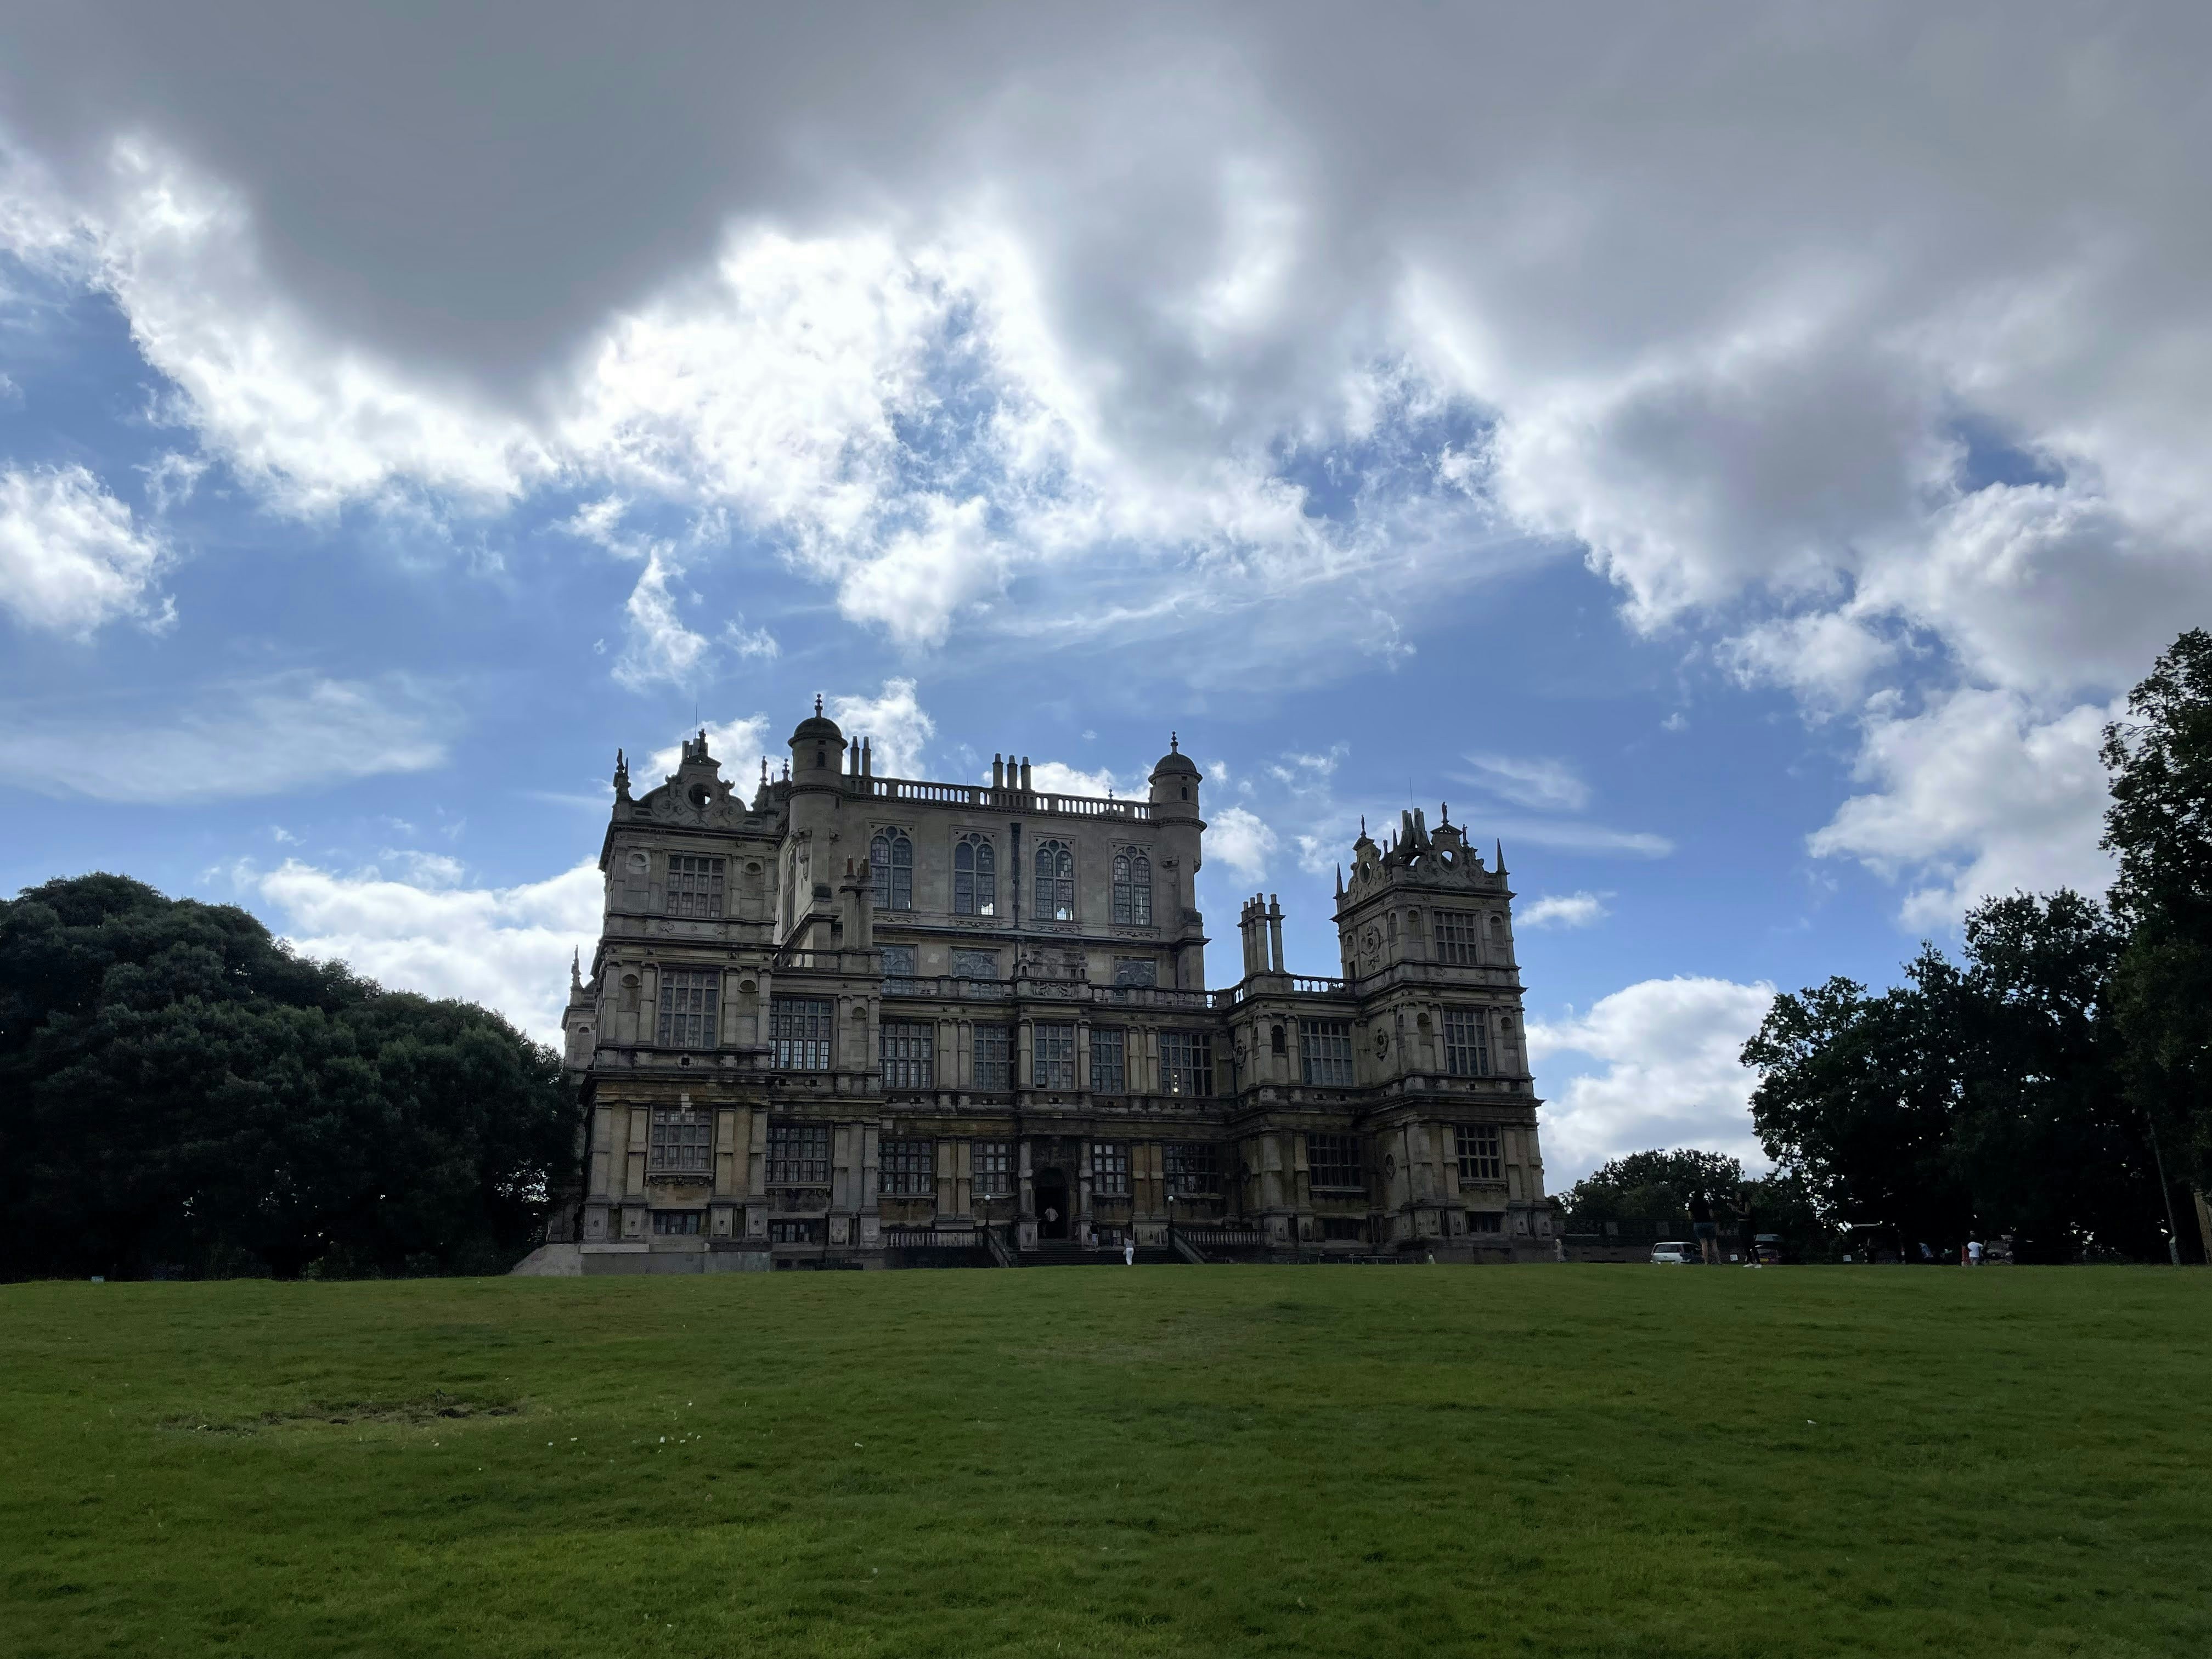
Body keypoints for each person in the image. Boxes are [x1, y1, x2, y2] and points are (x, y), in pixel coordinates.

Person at [1689, 1190, 1718, 1264]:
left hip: (1698, 1223)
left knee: (1704, 1243)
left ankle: (1706, 1261)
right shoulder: (1706, 1203)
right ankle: (1719, 1260)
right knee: (1713, 1242)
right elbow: (1711, 1215)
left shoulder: (1692, 1204)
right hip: (1709, 1223)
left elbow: (1690, 1216)